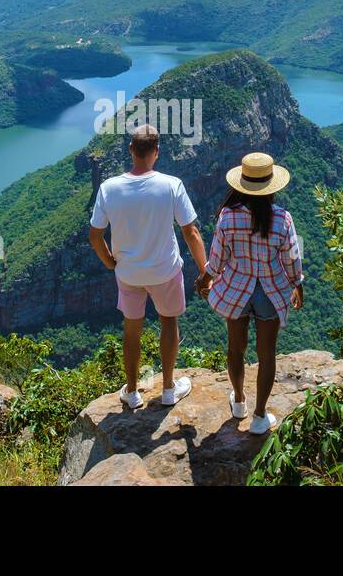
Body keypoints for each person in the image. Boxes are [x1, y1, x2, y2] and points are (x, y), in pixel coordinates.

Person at [88, 124, 209, 409]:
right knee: (169, 323)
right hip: (165, 271)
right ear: (156, 152)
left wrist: (110, 263)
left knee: (132, 331)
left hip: (128, 273)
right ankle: (168, 389)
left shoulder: (109, 188)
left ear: (131, 150)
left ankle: (131, 392)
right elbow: (191, 233)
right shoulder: (171, 185)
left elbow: (95, 236)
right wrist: (206, 272)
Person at [195, 152, 303, 435]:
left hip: (236, 290)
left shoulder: (227, 217)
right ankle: (259, 416)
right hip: (270, 292)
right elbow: (292, 258)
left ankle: (239, 401)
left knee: (235, 348)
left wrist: (205, 278)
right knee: (267, 355)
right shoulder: (282, 219)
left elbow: (218, 259)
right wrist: (297, 285)